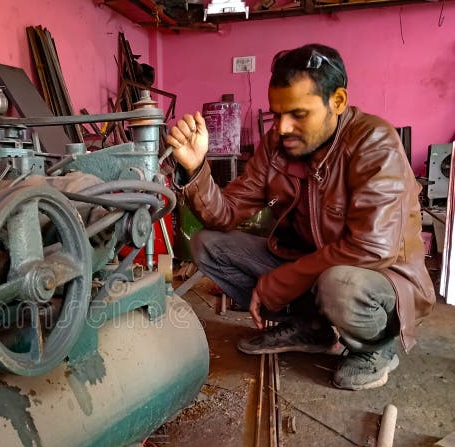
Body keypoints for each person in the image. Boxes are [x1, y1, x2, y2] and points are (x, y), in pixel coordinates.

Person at [167, 43, 436, 390]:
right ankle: (311, 328)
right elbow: (226, 214)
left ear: (337, 102)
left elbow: (373, 248)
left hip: (379, 278)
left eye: (298, 114)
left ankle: (375, 350)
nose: (282, 128)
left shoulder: (373, 142)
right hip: (310, 264)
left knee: (339, 284)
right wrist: (195, 168)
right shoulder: (276, 146)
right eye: (277, 114)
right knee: (207, 245)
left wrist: (285, 279)